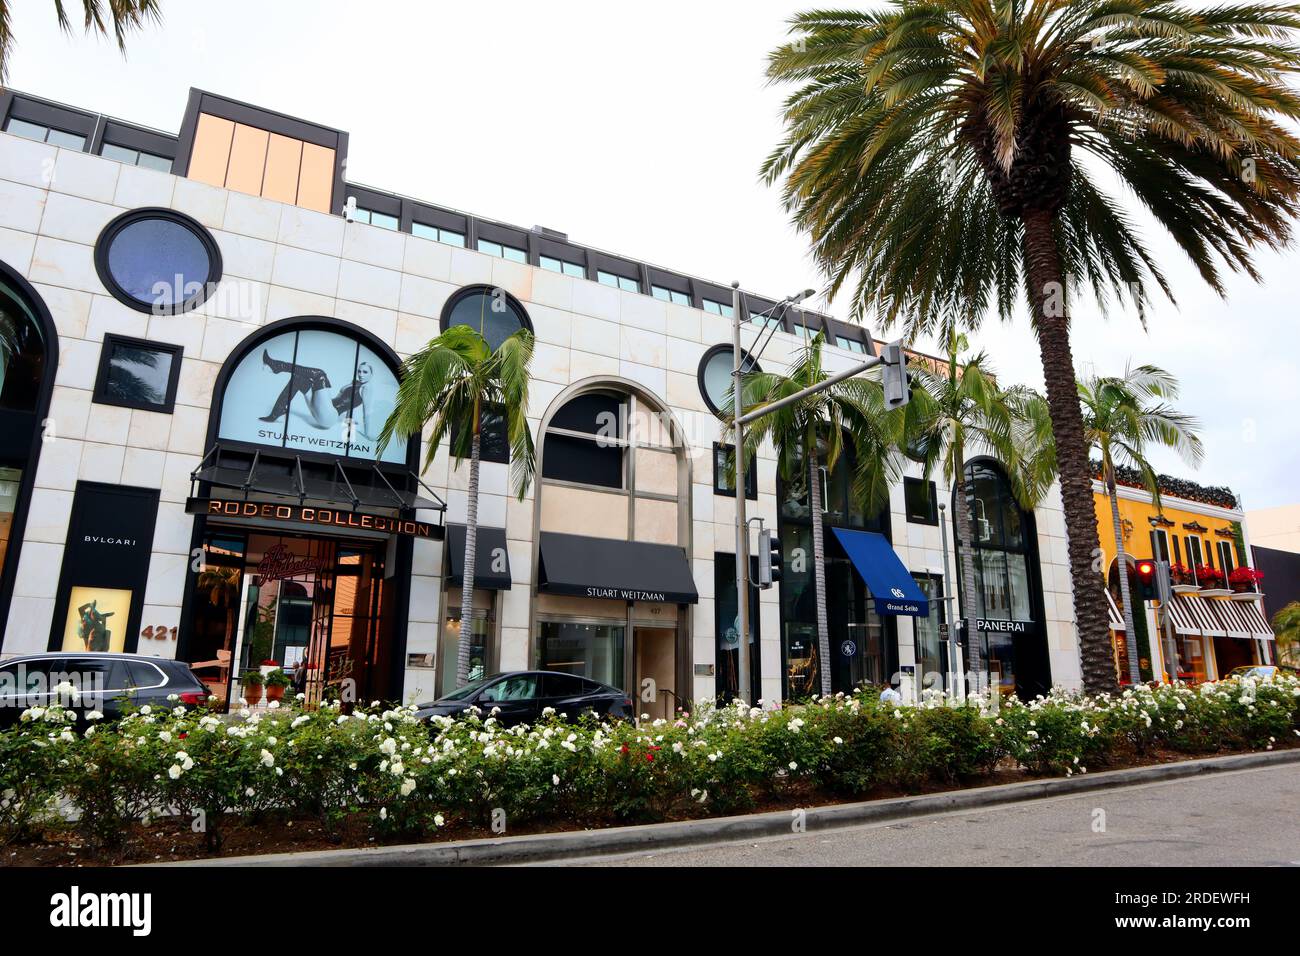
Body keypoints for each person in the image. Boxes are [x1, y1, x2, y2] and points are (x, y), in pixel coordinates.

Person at [258, 350, 377, 438]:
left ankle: (279, 366)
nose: (361, 374)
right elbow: (350, 402)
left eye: (365, 372)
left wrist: (368, 434)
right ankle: (276, 412)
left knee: (320, 374)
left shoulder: (367, 388)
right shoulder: (355, 383)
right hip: (323, 409)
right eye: (359, 371)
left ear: (371, 374)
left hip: (329, 416)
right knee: (298, 378)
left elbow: (367, 412)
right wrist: (348, 419)